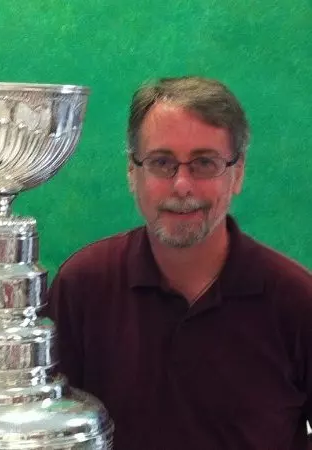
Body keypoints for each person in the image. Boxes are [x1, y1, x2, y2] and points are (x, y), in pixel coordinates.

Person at [44, 76, 312, 450]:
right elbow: (52, 428)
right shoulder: (83, 285)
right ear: (132, 173)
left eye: (204, 163)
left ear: (237, 173)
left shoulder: (298, 300)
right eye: (162, 162)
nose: (182, 185)